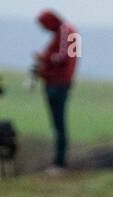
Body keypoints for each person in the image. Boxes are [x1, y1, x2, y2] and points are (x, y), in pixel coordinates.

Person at [33, 10, 79, 171]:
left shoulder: (67, 32)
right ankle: (59, 160)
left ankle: (60, 162)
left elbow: (64, 57)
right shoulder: (66, 33)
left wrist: (44, 59)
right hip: (59, 82)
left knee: (59, 124)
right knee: (58, 124)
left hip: (58, 84)